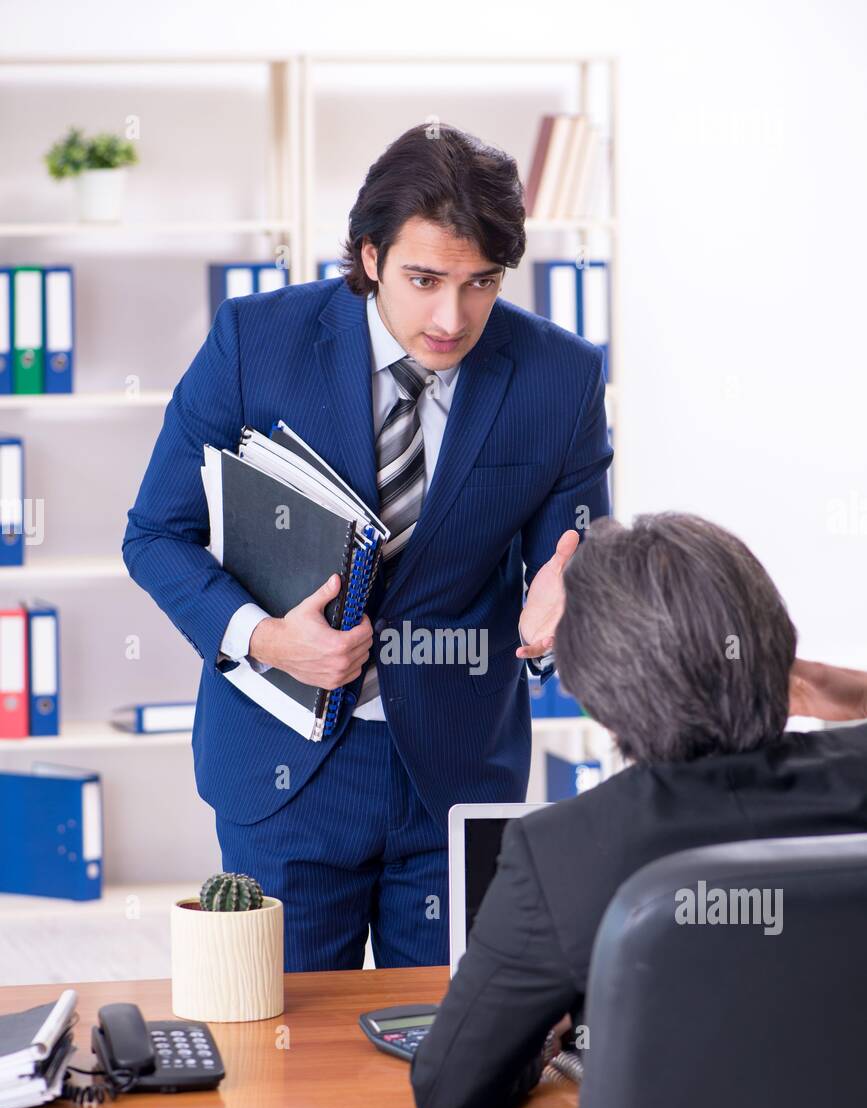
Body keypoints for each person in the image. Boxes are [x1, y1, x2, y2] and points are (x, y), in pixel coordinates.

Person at [122, 124, 612, 971]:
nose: (451, 318)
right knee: (289, 1062)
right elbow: (157, 534)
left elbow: (575, 555)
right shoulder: (256, 341)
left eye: (481, 284)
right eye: (424, 280)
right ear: (369, 254)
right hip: (284, 771)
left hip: (458, 771)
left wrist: (568, 599)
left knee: (459, 1058)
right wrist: (266, 639)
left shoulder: (558, 374)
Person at [410, 512, 867, 1108]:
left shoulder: (561, 852)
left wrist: (548, 1037)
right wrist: (785, 678)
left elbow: (448, 1093)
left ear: (598, 689)